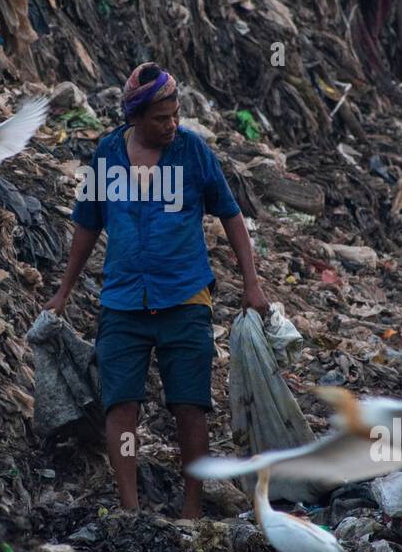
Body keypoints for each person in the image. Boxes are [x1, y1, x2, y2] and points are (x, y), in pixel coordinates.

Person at [44, 62, 268, 519]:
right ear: (135, 119)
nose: (172, 125)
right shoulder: (107, 155)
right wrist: (63, 291)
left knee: (189, 405)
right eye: (161, 118)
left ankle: (191, 511)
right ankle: (130, 508)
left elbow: (230, 216)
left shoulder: (193, 152)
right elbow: (87, 225)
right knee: (121, 404)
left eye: (176, 114)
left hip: (184, 298)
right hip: (123, 301)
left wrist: (252, 283)